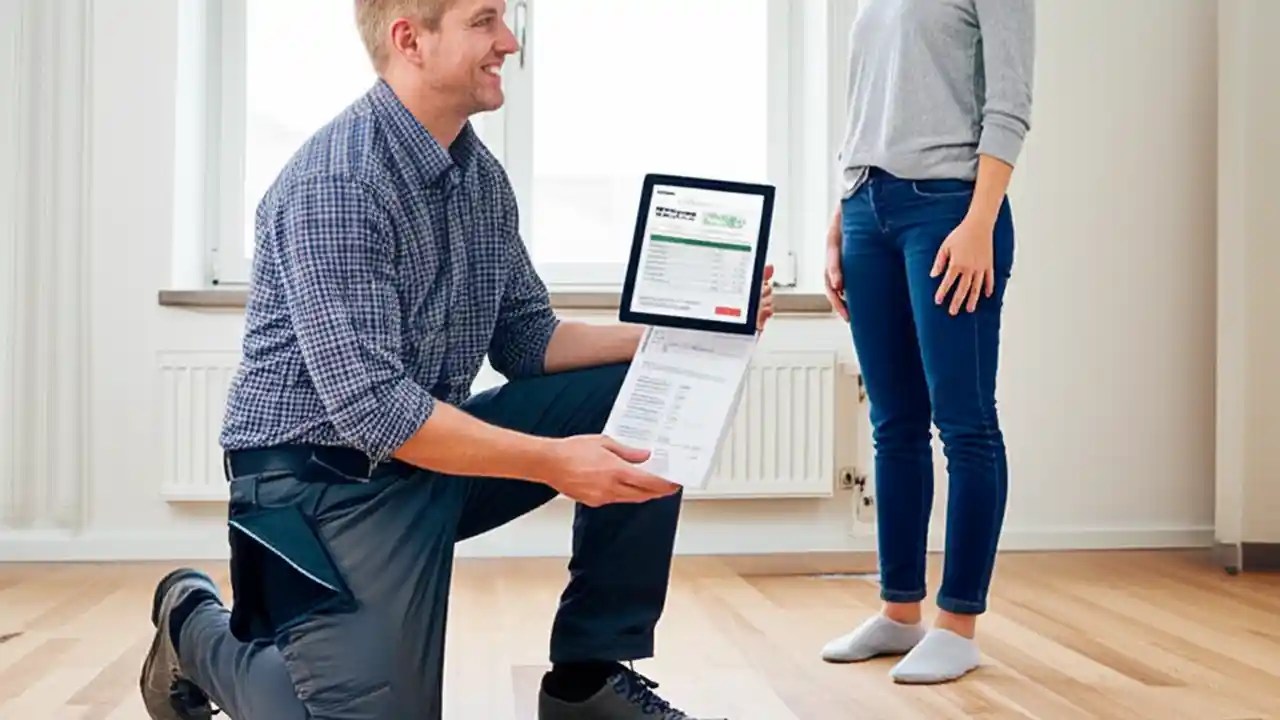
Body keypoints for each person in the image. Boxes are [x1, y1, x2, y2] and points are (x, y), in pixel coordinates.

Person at [138, 1, 774, 718]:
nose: (509, 42)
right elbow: (374, 409)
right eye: (483, 21)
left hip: (423, 460)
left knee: (634, 389)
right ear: (411, 39)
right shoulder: (339, 182)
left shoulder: (479, 177)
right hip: (318, 488)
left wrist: (682, 333)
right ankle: (191, 624)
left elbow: (526, 338)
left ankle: (586, 683)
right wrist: (557, 462)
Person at [818, 0, 1034, 685]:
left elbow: (1010, 102)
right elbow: (867, 107)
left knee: (965, 423)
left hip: (949, 209)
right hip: (867, 208)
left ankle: (958, 623)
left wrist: (980, 222)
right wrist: (839, 215)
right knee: (893, 425)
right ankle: (899, 610)